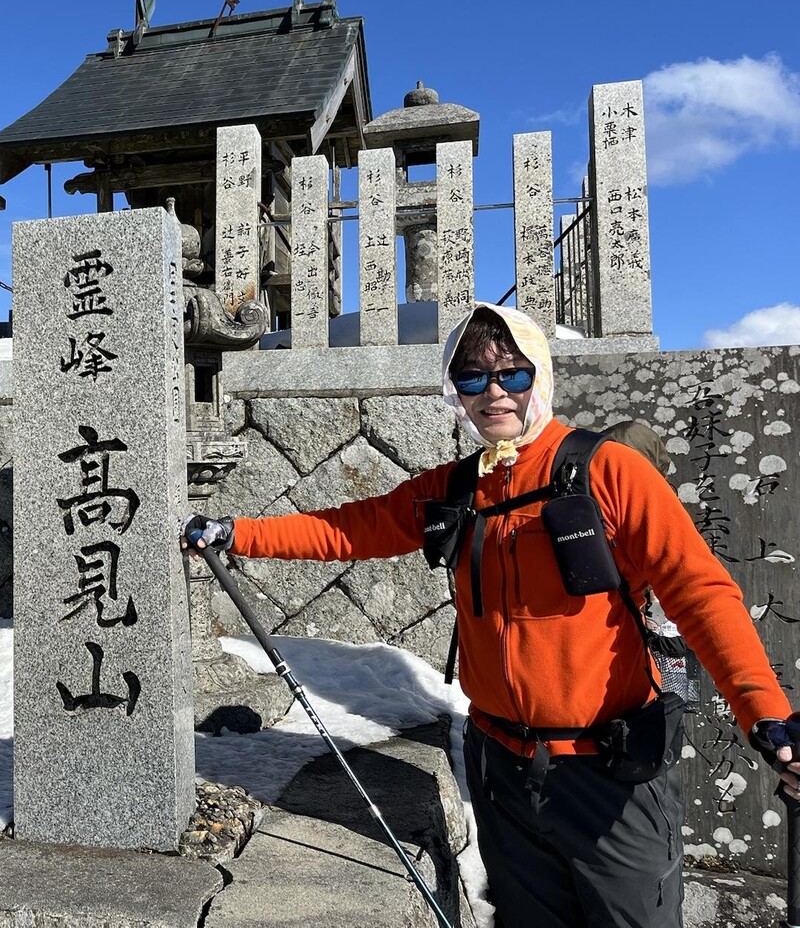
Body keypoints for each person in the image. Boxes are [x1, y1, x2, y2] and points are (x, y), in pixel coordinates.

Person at [181, 301, 800, 928]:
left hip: (609, 773)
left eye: (513, 373)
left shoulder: (609, 471)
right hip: (500, 768)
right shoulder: (457, 488)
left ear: (542, 376)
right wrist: (235, 532)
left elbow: (701, 593)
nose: (493, 391)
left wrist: (767, 714)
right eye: (472, 376)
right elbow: (349, 529)